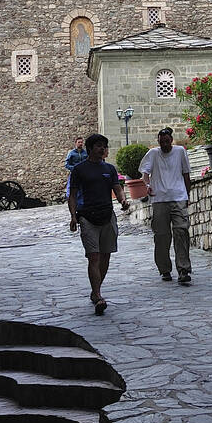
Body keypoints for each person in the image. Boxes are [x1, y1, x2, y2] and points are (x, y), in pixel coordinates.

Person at [68, 134, 130, 315]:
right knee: (93, 257)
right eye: (98, 146)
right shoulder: (79, 170)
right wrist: (73, 216)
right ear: (90, 148)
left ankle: (96, 290)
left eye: (104, 146)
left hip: (107, 216)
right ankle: (97, 295)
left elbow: (117, 188)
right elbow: (72, 194)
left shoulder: (109, 169)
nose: (102, 149)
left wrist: (123, 200)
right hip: (87, 217)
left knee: (106, 257)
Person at [139, 127, 193, 285]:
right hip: (159, 199)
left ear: (172, 140)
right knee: (161, 236)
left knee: (181, 231)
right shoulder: (153, 154)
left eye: (167, 141)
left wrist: (187, 196)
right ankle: (165, 269)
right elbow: (145, 174)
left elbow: (186, 174)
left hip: (178, 197)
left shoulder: (180, 152)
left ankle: (183, 269)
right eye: (161, 142)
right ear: (158, 141)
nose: (164, 144)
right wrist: (147, 185)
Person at [64, 136, 88, 203]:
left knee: (83, 188)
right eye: (79, 142)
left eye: (81, 142)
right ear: (76, 143)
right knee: (71, 187)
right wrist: (74, 169)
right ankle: (70, 199)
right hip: (75, 173)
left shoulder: (85, 153)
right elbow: (66, 164)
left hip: (83, 174)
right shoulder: (71, 153)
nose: (80, 143)